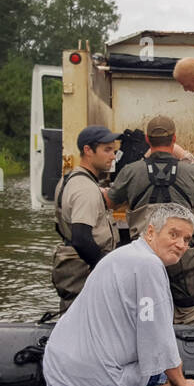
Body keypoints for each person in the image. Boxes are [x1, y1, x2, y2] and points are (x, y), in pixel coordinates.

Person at [43, 202, 194, 386]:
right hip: (103, 380)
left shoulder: (120, 255)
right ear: (150, 232)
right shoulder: (149, 264)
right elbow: (157, 336)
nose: (181, 245)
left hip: (58, 375)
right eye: (173, 234)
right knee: (165, 379)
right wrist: (182, 384)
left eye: (186, 239)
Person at [105, 115, 194, 324]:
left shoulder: (131, 171)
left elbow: (111, 202)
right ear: (174, 139)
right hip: (181, 254)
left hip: (143, 252)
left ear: (147, 139)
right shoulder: (191, 172)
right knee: (189, 314)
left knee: (142, 314)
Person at [52, 125, 121, 315]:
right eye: (107, 150)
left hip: (73, 268)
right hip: (83, 272)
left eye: (114, 150)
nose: (113, 156)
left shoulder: (69, 179)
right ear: (88, 150)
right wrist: (104, 268)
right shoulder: (85, 189)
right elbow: (81, 238)